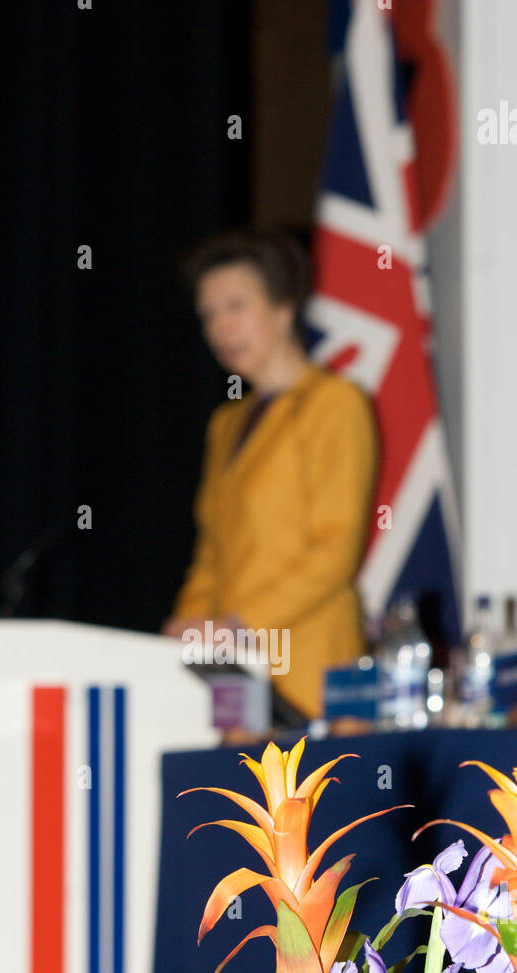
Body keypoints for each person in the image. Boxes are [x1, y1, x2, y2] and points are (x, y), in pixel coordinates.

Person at [162, 230, 378, 720]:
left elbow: (334, 551)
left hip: (309, 665)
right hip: (234, 672)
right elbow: (213, 551)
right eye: (208, 315)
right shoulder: (227, 423)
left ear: (284, 309)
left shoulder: (336, 404)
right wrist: (190, 623)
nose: (220, 327)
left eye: (235, 306)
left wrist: (239, 625)